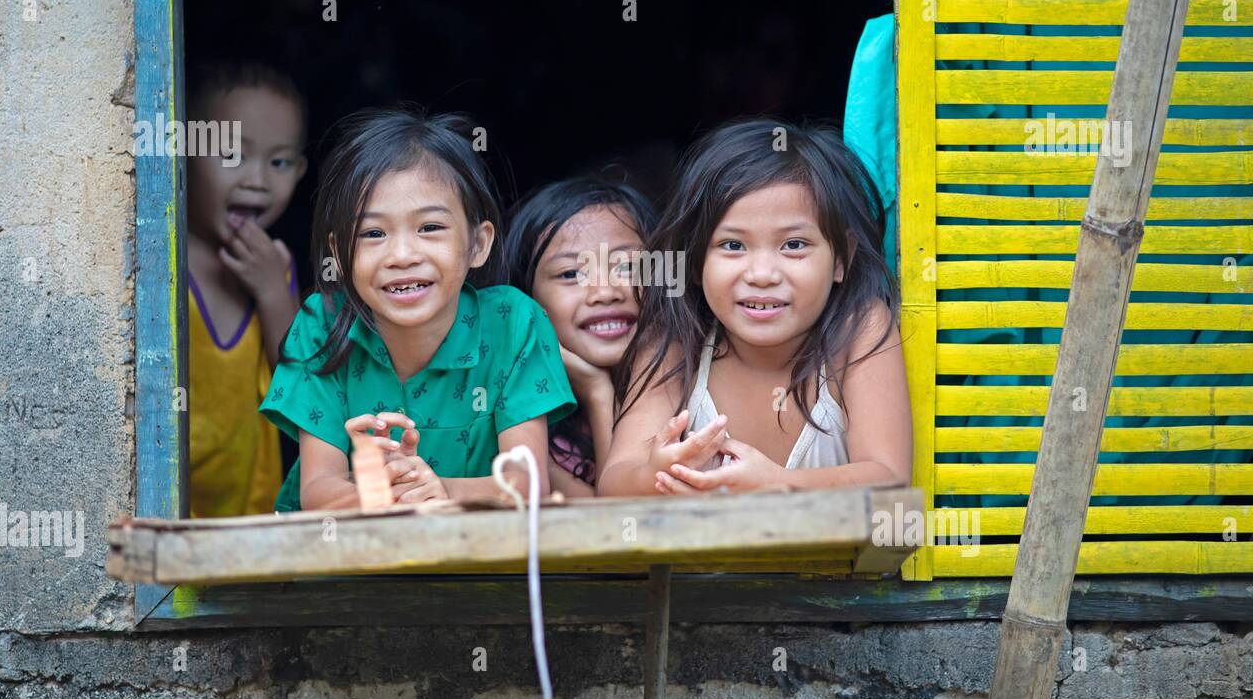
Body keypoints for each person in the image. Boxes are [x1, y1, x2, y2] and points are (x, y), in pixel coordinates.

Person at [260, 107, 576, 511]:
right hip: (342, 565)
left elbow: (529, 483)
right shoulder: (320, 323)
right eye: (373, 233)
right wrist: (377, 493)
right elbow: (318, 493)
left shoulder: (512, 323)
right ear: (338, 255)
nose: (403, 255)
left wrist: (442, 490)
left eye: (429, 228)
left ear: (478, 245)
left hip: (479, 566)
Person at [600, 118, 911, 496]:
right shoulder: (676, 343)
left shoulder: (858, 329)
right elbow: (615, 483)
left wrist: (780, 484)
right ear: (696, 263)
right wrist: (656, 474)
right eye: (733, 245)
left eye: (794, 245)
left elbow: (889, 478)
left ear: (841, 259)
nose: (762, 274)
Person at [186, 61, 307, 517]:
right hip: (172, 513)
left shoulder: (275, 267)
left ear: (299, 171)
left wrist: (274, 292)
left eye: (278, 162)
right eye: (233, 154)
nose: (257, 180)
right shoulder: (161, 262)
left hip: (248, 516)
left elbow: (298, 380)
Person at [504, 178, 657, 496]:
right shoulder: (527, 432)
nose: (604, 292)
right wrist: (597, 391)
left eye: (627, 267)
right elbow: (613, 527)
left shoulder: (695, 387)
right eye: (571, 274)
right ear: (526, 299)